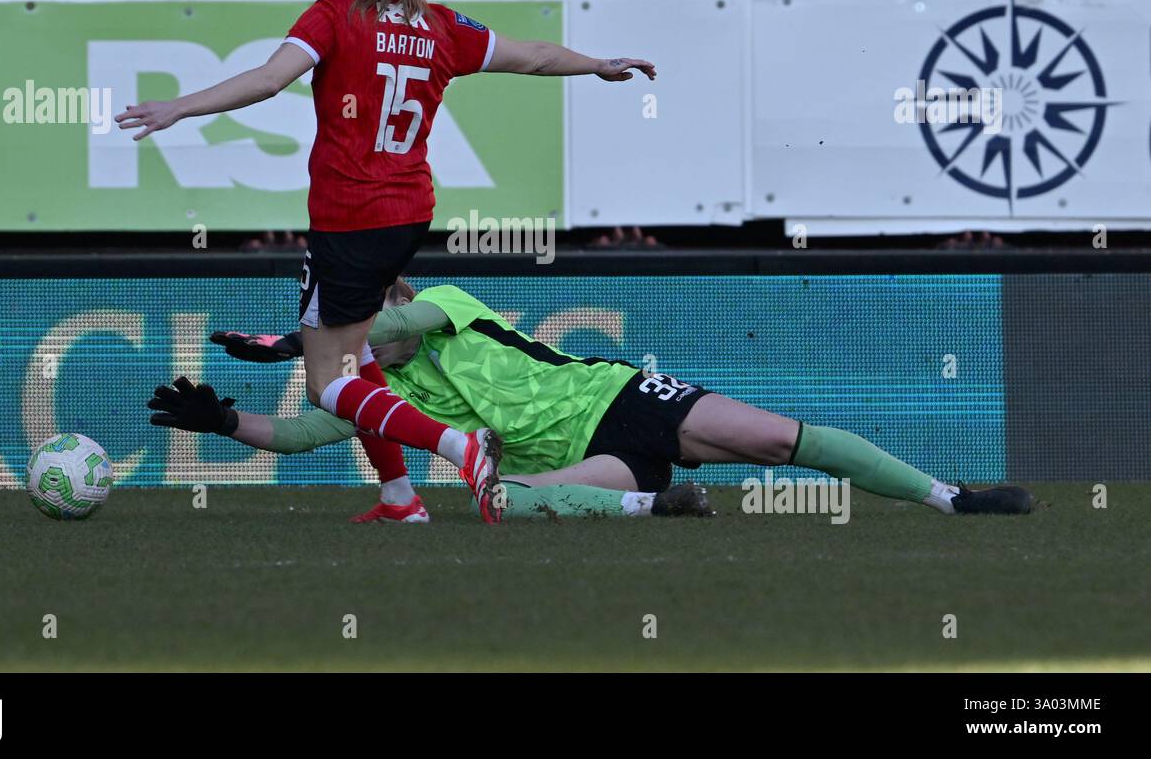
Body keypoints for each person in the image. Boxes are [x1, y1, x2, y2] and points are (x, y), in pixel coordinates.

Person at [116, 0, 655, 525]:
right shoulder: (440, 24)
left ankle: (457, 446)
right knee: (356, 356)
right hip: (409, 214)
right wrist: (597, 64)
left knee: (326, 383)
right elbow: (531, 56)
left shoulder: (334, 14)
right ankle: (400, 498)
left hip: (350, 221)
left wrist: (178, 109)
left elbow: (269, 81)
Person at [146, 281, 1035, 522]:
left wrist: (283, 339)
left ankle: (951, 497)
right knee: (504, 500)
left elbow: (385, 324)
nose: (381, 316)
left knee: (775, 440)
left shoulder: (443, 310)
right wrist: (226, 422)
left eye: (382, 299)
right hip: (579, 465)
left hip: (615, 398)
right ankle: (655, 503)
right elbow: (302, 432)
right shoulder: (372, 391)